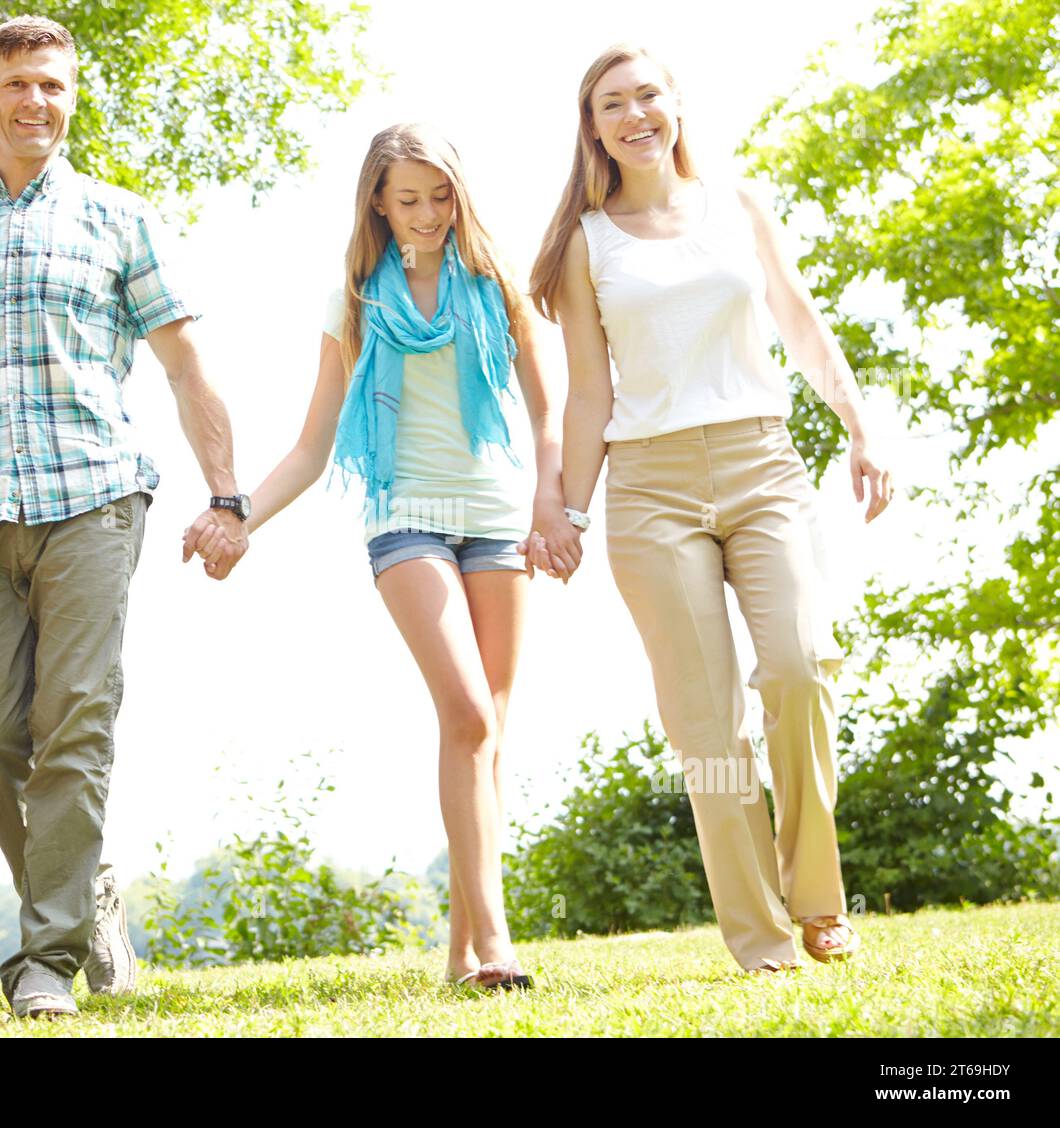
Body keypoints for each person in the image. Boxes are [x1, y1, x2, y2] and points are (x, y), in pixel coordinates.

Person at [0, 16, 248, 1018]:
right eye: (20, 84)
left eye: (54, 85)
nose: (37, 101)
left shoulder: (120, 220)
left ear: (70, 96)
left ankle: (45, 963)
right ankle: (86, 895)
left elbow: (183, 366)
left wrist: (227, 496)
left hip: (92, 498)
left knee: (74, 719)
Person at [528, 44, 894, 973]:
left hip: (761, 462)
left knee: (801, 668)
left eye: (648, 93)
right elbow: (587, 395)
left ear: (677, 104)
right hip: (649, 487)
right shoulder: (585, 242)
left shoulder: (737, 206)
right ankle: (763, 938)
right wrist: (566, 512)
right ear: (594, 127)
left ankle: (818, 897)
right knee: (711, 729)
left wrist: (860, 426)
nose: (634, 113)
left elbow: (801, 323)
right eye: (612, 103)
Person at [222, 123, 578, 988]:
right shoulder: (355, 301)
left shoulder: (498, 287)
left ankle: (461, 953)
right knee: (467, 713)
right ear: (378, 201)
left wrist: (550, 501)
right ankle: (497, 946)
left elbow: (546, 412)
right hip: (405, 518)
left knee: (488, 735)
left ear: (461, 196)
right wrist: (237, 515)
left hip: (499, 519)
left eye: (440, 197)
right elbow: (313, 448)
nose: (426, 215)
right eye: (408, 199)